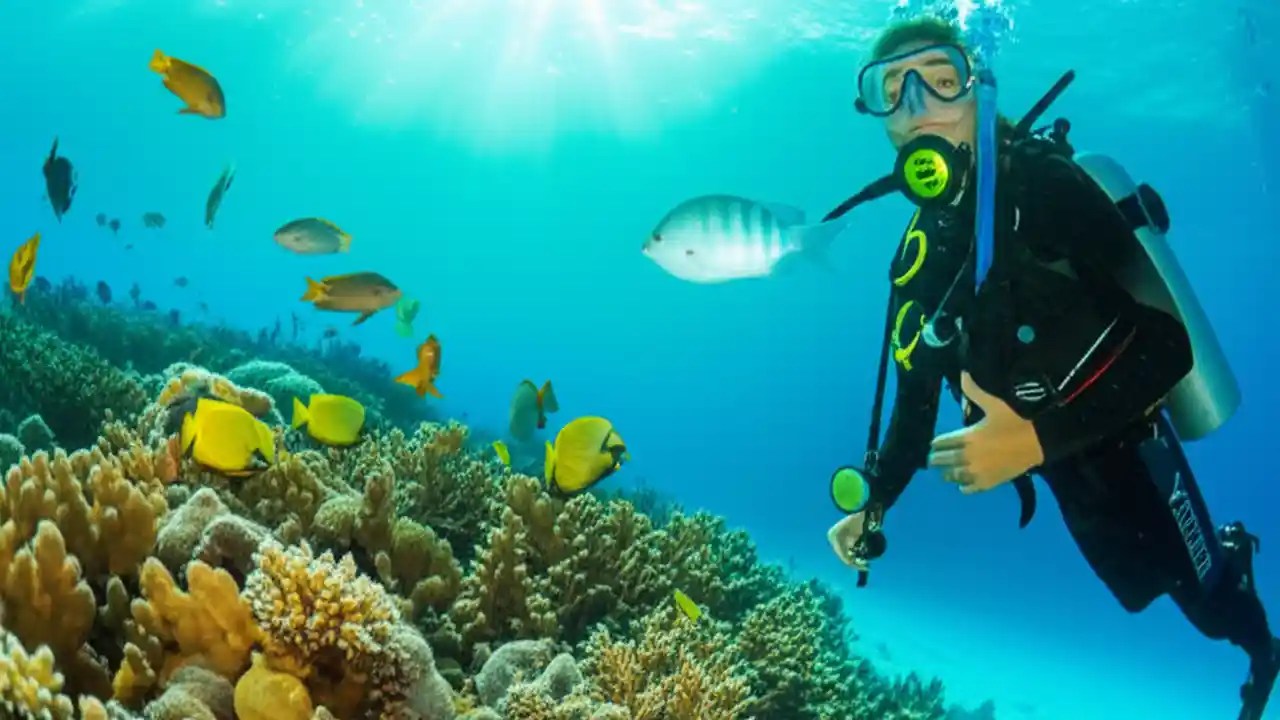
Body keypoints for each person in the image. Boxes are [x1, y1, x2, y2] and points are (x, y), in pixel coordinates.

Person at [822, 16, 1280, 720]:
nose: (916, 106)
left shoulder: (1043, 188)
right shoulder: (922, 252)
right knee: (1138, 588)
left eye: (942, 81)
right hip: (1055, 464)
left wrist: (1028, 442)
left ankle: (1261, 640)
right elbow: (914, 400)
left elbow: (1169, 347)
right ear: (876, 117)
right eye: (891, 91)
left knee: (1206, 603)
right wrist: (876, 501)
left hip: (1129, 442)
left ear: (980, 92)